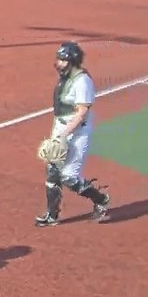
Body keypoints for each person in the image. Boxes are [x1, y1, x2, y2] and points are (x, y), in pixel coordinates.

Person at [36, 41, 111, 227]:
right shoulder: (65, 77)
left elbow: (82, 112)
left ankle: (100, 199)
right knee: (52, 171)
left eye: (63, 59)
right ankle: (52, 215)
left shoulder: (82, 81)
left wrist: (64, 134)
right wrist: (59, 132)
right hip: (60, 127)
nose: (59, 63)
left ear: (73, 61)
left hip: (78, 131)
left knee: (69, 177)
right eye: (58, 59)